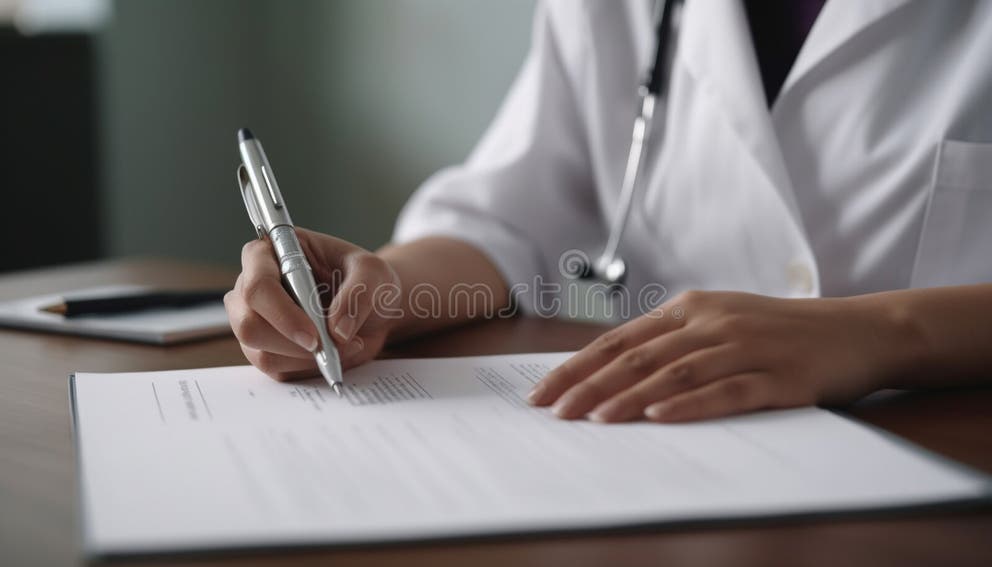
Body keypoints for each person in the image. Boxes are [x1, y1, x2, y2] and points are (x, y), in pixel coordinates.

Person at [225, 0, 992, 423]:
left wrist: (878, 334)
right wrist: (381, 287)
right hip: (666, 458)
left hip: (942, 452)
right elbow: (504, 218)